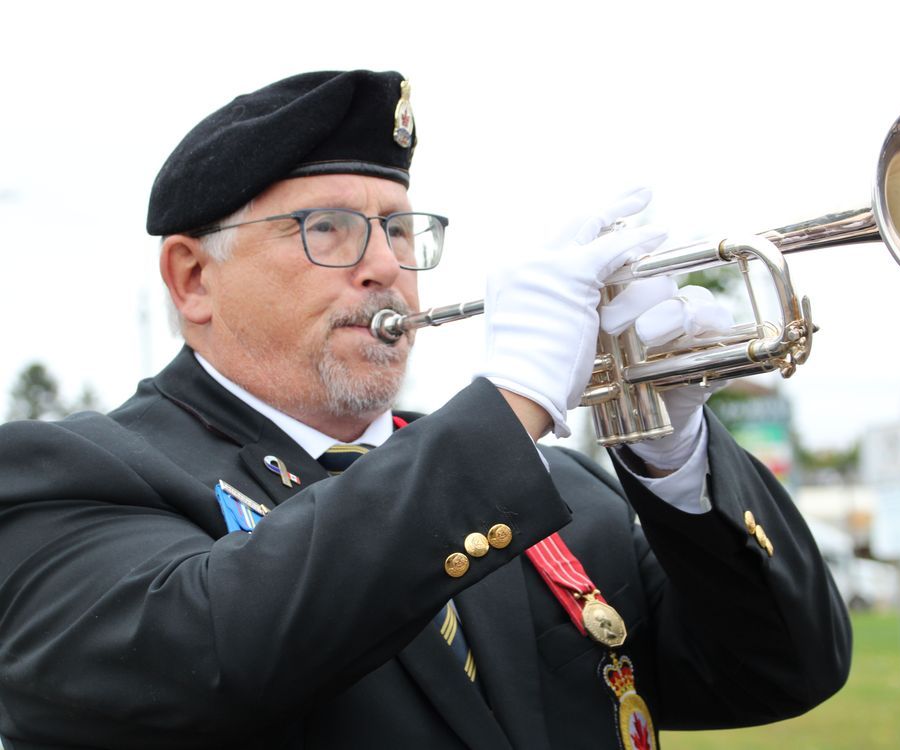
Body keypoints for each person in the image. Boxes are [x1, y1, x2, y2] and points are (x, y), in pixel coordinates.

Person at [0, 70, 851, 750]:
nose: (383, 267)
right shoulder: (75, 477)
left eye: (401, 230)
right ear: (192, 279)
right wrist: (512, 397)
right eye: (326, 228)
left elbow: (783, 671)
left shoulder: (555, 490)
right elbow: (205, 657)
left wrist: (675, 457)